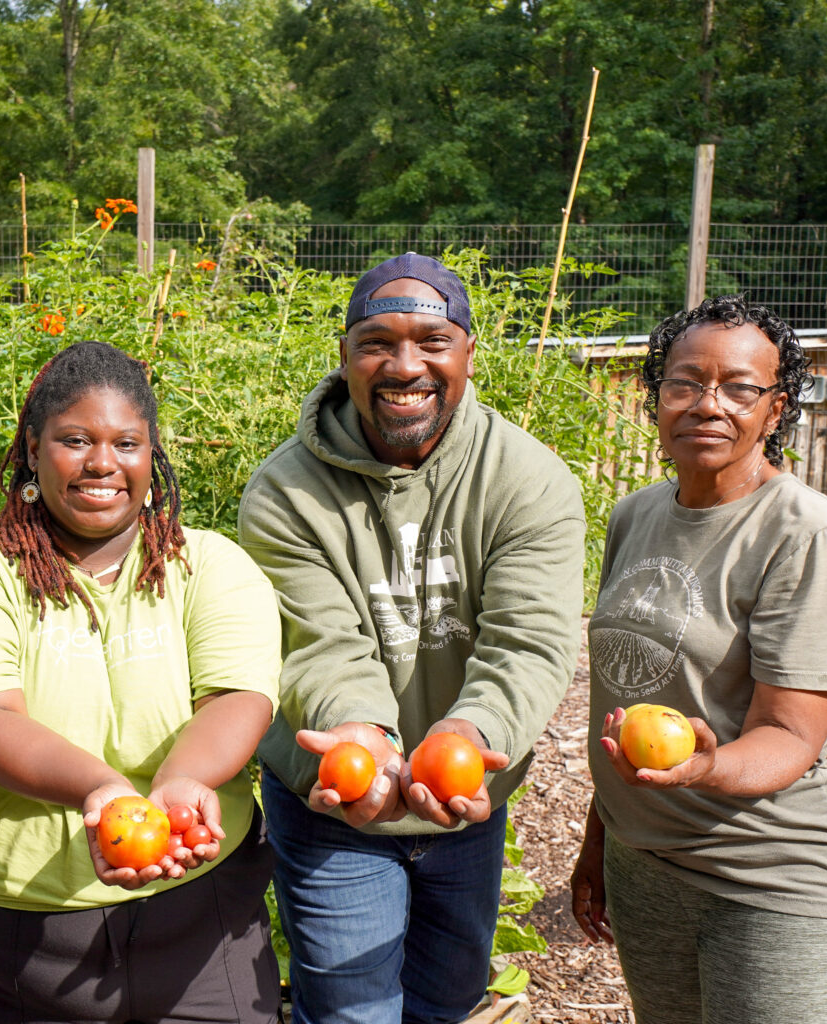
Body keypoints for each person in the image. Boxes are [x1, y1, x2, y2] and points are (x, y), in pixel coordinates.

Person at [239, 252, 586, 1024]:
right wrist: (364, 739)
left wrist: (469, 735)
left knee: (448, 1003)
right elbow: (315, 644)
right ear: (345, 356)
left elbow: (528, 641)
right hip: (334, 801)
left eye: (431, 340)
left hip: (467, 802)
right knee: (351, 1014)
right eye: (376, 342)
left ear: (467, 352)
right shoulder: (284, 492)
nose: (405, 365)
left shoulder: (528, 479)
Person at [0, 340, 283, 1024]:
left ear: (152, 454)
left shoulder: (211, 566)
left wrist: (178, 786)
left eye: (126, 443)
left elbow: (237, 695)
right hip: (13, 925)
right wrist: (101, 790)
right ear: (32, 449)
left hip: (200, 913)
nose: (102, 463)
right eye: (74, 440)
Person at [570, 295, 827, 1024]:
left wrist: (705, 768)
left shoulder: (809, 536)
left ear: (775, 409)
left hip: (777, 866)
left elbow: (789, 734)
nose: (708, 404)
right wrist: (602, 838)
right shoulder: (638, 513)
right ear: (658, 398)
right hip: (648, 858)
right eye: (685, 382)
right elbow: (632, 688)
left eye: (740, 387)